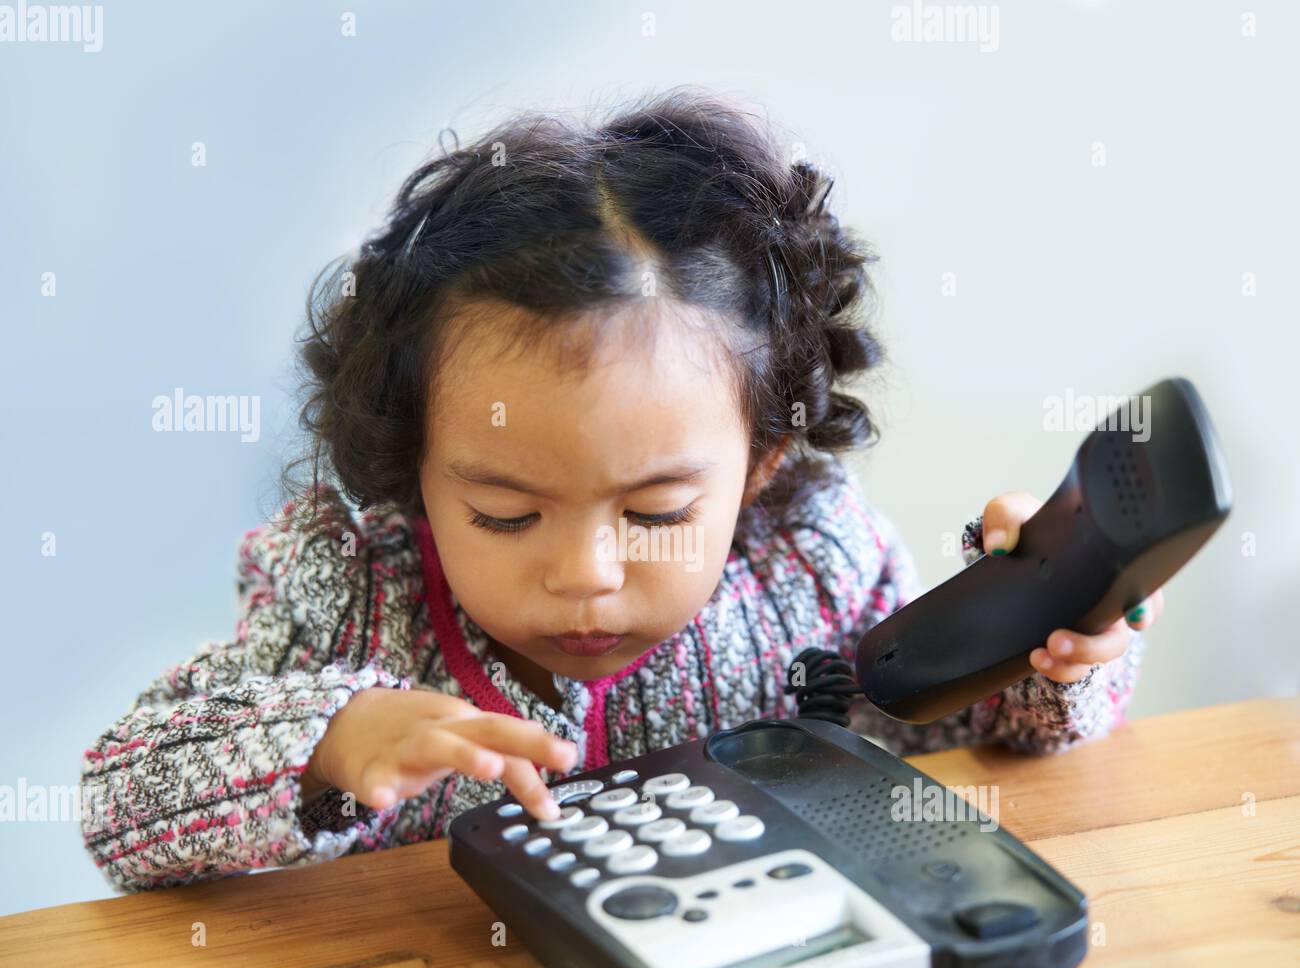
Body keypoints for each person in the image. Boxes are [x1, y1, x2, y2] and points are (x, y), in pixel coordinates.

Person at [81, 88, 1159, 893]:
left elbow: (971, 749)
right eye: (505, 513)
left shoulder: (814, 572)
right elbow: (116, 803)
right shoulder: (356, 598)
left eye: (654, 513)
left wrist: (1050, 642)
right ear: (410, 463)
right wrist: (331, 740)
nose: (587, 576)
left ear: (764, 462)